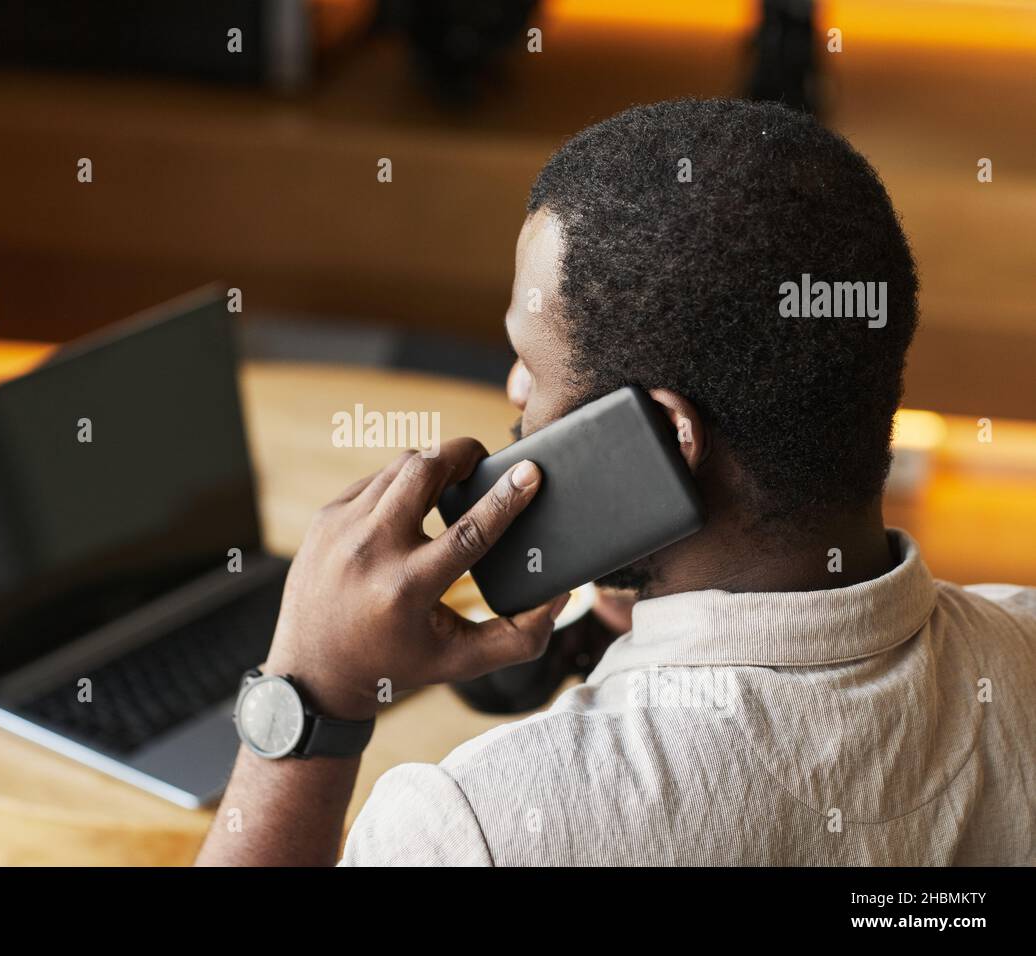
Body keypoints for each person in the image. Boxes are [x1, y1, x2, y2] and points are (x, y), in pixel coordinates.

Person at [196, 99, 1036, 866]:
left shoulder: (472, 827)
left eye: (530, 361)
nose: (516, 393)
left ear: (670, 436)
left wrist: (309, 701)